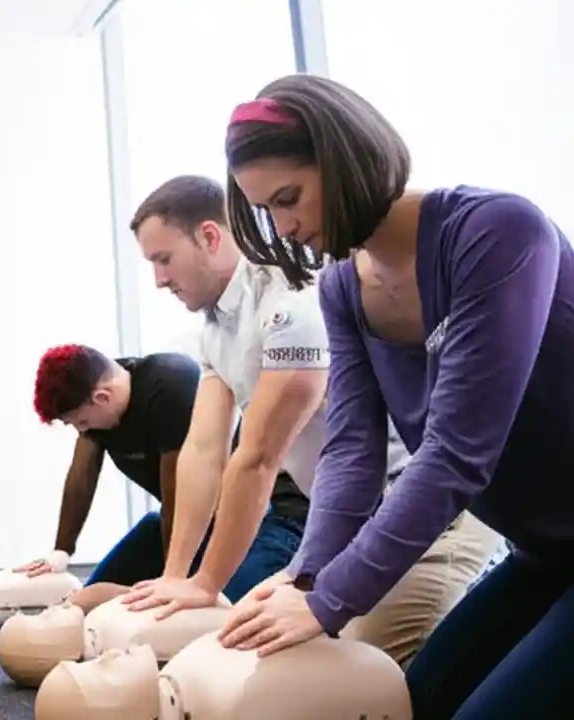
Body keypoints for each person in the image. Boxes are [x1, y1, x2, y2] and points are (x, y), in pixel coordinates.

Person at [214, 74, 574, 719]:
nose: (285, 226)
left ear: (345, 156)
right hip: (546, 551)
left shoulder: (497, 231)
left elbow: (458, 452)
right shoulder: (343, 287)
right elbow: (352, 452)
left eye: (290, 197)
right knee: (415, 699)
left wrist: (330, 602)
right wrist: (306, 579)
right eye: (267, 209)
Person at [122, 174, 500, 667]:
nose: (158, 280)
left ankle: (476, 588)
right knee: (290, 653)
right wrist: (177, 578)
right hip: (351, 522)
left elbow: (256, 457)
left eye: (163, 259)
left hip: (427, 514)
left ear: (210, 238)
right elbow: (204, 451)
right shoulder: (217, 329)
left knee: (353, 676)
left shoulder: (291, 307)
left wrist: (206, 583)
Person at [20, 344, 302, 600]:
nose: (82, 430)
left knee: (217, 615)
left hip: (265, 521)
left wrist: (173, 580)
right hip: (187, 521)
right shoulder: (96, 399)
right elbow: (82, 475)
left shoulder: (169, 385)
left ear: (102, 397)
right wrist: (61, 552)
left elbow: (182, 494)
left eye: (80, 421)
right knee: (85, 602)